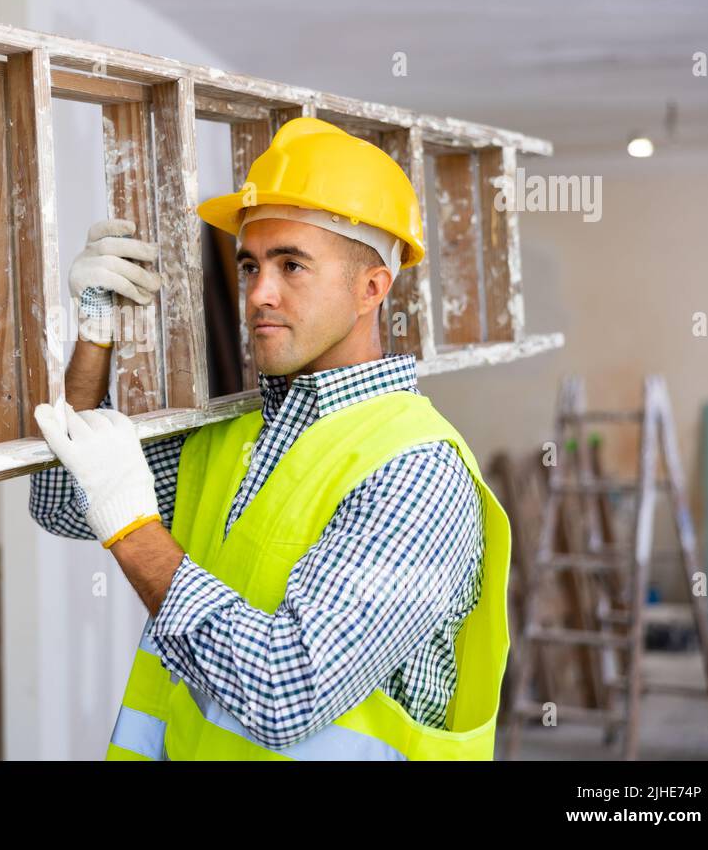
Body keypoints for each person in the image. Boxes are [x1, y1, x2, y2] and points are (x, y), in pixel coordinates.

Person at [29, 118, 511, 760]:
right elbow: (61, 500)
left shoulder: (416, 470)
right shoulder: (236, 434)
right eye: (250, 265)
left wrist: (134, 526)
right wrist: (94, 333)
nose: (259, 293)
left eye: (292, 265)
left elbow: (284, 696)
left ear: (372, 287)